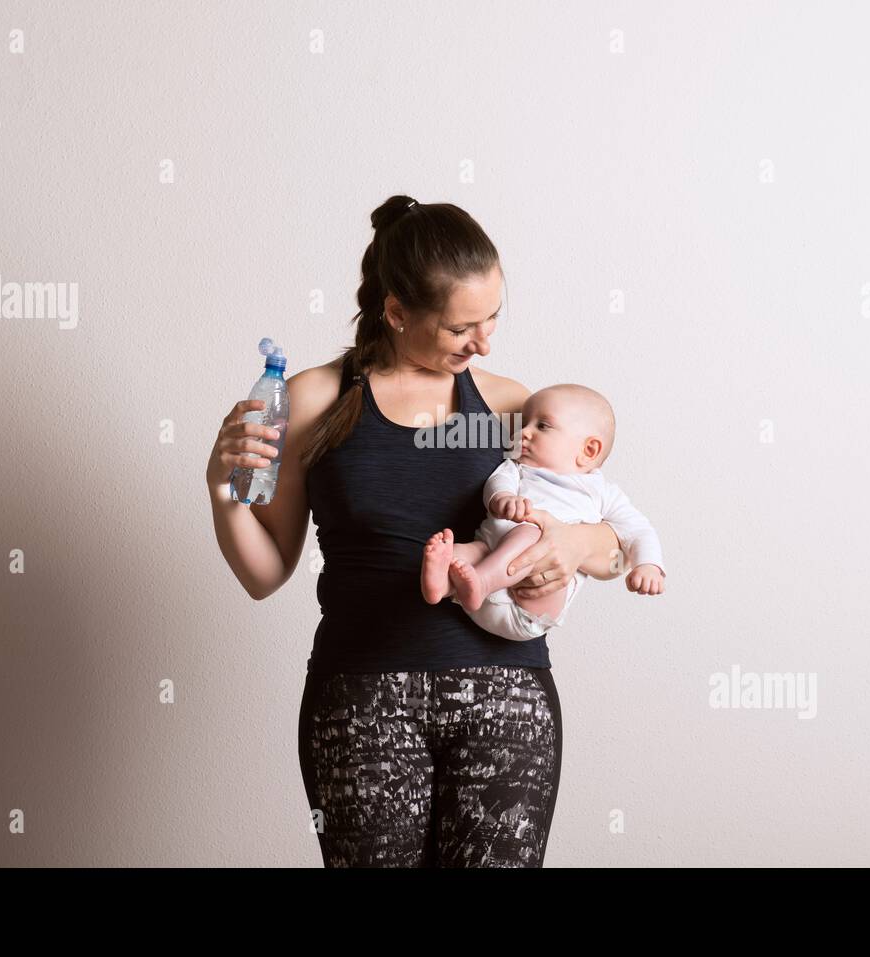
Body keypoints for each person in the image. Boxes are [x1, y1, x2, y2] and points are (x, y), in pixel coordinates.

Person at [206, 195, 625, 867]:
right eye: (463, 327)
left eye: (492, 318)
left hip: (507, 699)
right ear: (396, 311)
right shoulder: (317, 402)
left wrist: (570, 547)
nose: (484, 342)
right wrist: (222, 490)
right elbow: (265, 573)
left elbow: (613, 541)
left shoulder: (508, 409)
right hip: (360, 702)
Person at [420, 382, 666, 642]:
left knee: (531, 531)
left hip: (530, 604)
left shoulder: (601, 491)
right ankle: (443, 585)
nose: (523, 432)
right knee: (467, 551)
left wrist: (649, 565)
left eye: (542, 426)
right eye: (524, 423)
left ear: (589, 450)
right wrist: (502, 498)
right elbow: (497, 485)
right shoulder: (516, 468)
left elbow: (638, 530)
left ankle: (481, 582)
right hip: (479, 579)